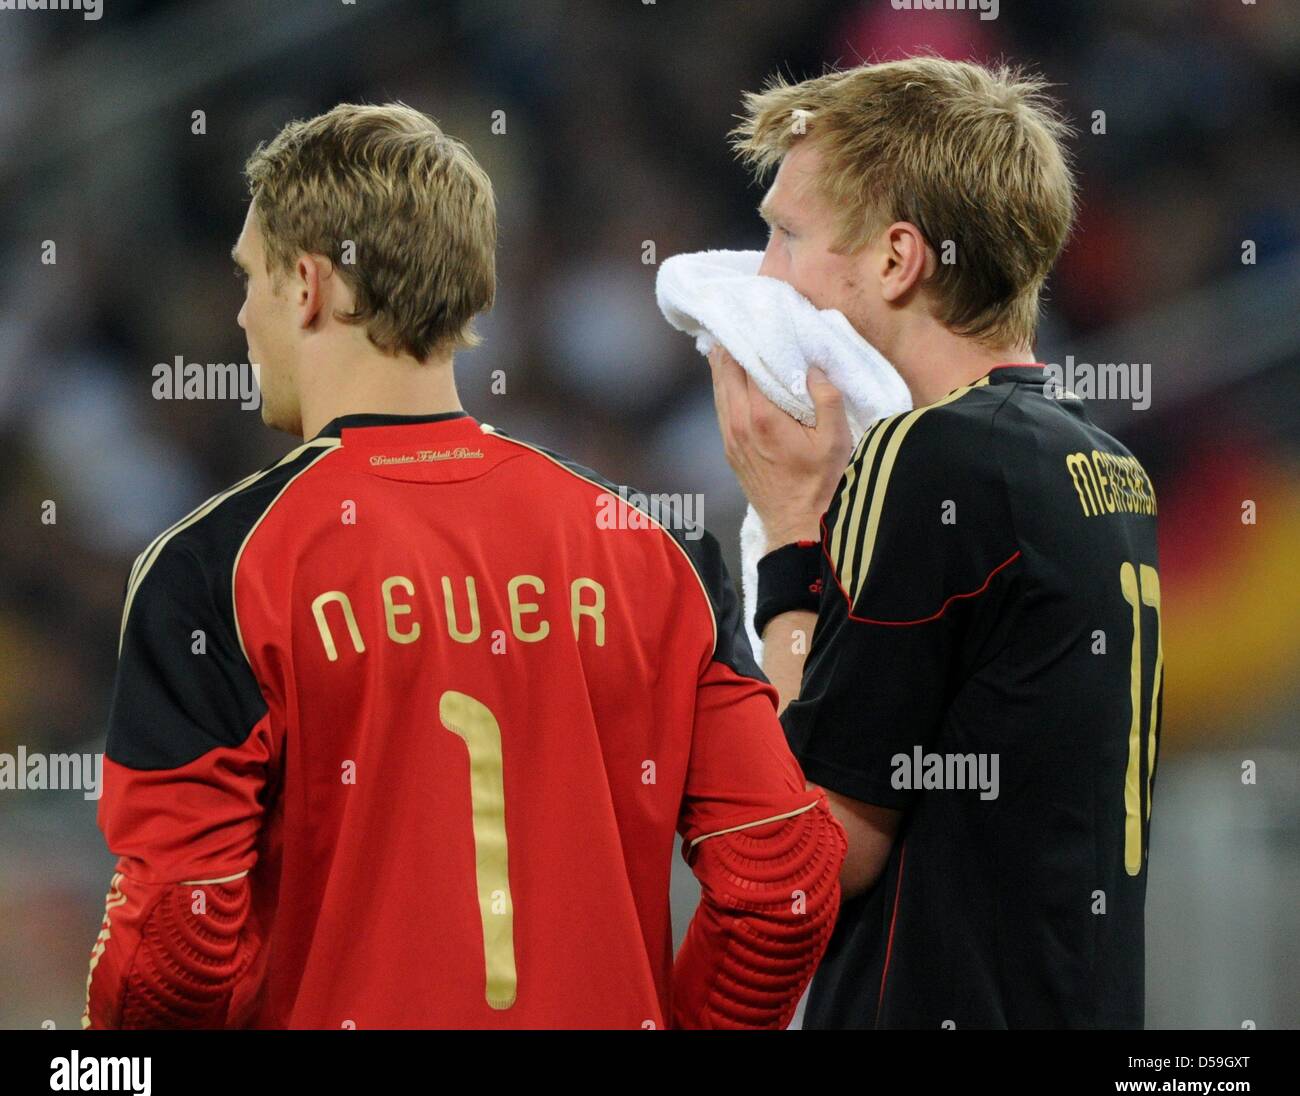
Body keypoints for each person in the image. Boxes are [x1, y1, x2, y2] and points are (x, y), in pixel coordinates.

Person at [83, 102, 845, 1029]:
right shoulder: (655, 548)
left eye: (250, 276)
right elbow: (781, 881)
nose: (241, 313)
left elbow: (176, 942)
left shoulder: (219, 569)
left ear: (310, 286)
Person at [709, 57, 1162, 1028]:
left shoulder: (929, 453)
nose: (763, 274)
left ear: (895, 259)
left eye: (787, 234)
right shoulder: (1103, 463)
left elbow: (823, 842)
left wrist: (790, 534)